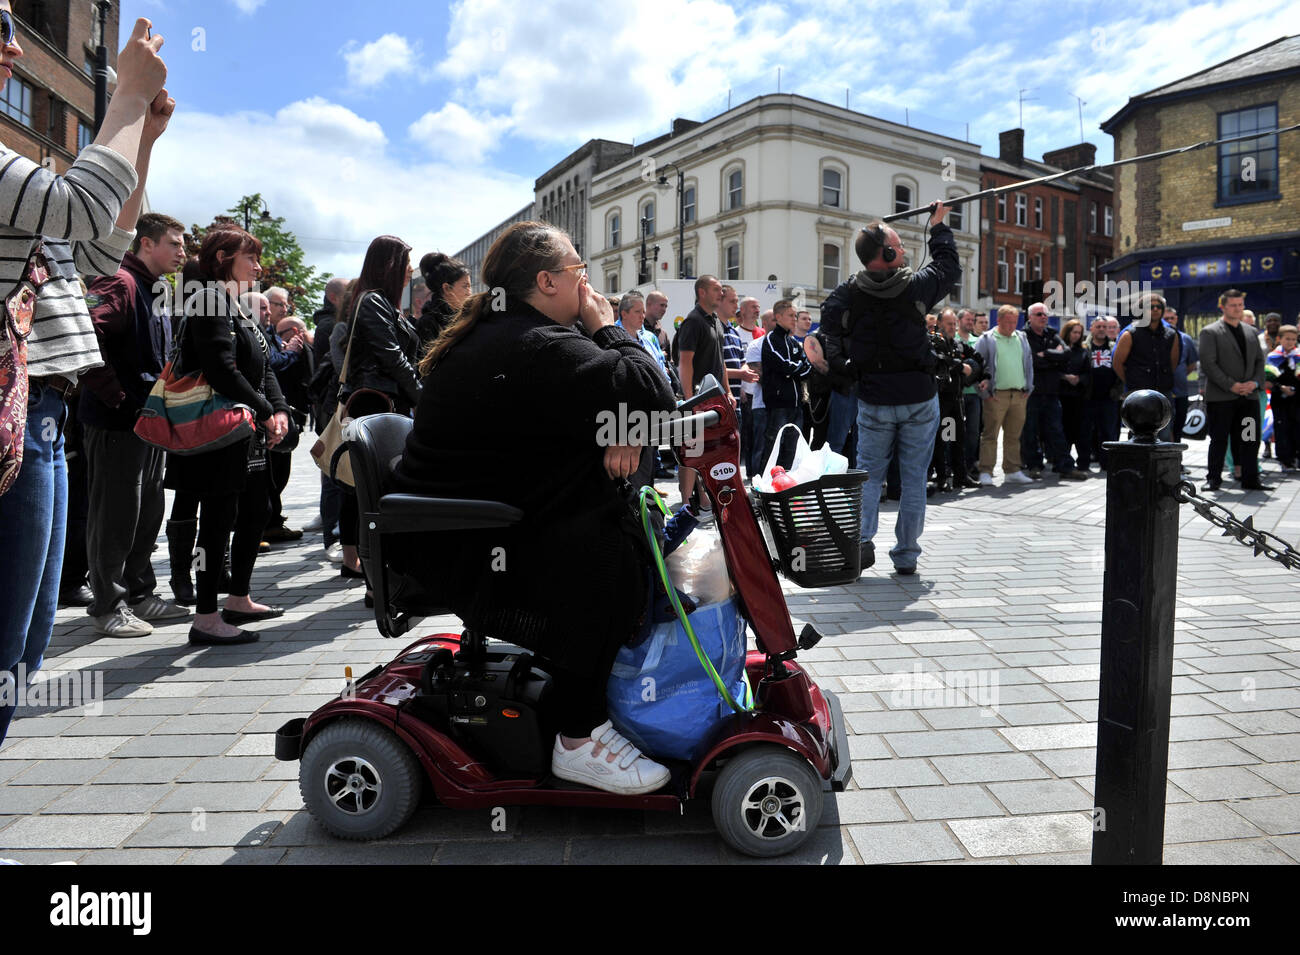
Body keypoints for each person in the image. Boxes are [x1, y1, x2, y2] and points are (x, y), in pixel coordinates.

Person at [394, 221, 675, 795]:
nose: (587, 286)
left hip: (474, 517)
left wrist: (621, 425)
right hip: (465, 537)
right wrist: (609, 328)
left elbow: (626, 404)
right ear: (547, 281)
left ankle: (588, 697)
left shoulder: (512, 332)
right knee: (613, 553)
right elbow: (653, 390)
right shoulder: (533, 342)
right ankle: (578, 736)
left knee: (619, 516)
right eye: (579, 272)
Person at [0, 14, 170, 745]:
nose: (11, 42)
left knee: (24, 645)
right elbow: (78, 206)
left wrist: (144, 138)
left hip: (43, 415)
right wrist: (124, 100)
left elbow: (100, 253)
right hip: (16, 413)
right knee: (4, 644)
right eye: (0, 23)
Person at [165, 227, 291, 645]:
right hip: (218, 432)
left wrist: (279, 410)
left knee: (255, 511)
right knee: (216, 523)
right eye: (249, 258)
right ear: (222, 258)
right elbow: (221, 369)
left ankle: (238, 597)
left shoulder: (232, 303)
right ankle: (205, 617)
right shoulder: (208, 301)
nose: (258, 266)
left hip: (245, 431)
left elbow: (265, 366)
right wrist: (264, 407)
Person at [820, 201, 958, 575]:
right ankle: (907, 555)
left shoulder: (849, 293)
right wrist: (938, 227)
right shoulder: (914, 287)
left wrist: (846, 369)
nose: (903, 250)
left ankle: (861, 544)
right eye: (898, 245)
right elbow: (948, 266)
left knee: (869, 475)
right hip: (918, 397)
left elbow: (827, 330)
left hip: (874, 398)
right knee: (914, 480)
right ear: (889, 252)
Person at [80, 212, 189, 634]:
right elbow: (88, 337)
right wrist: (120, 399)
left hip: (147, 424)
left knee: (146, 511)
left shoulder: (153, 288)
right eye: (175, 243)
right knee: (115, 516)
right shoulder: (119, 282)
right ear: (147, 243)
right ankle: (108, 606)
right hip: (117, 424)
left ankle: (140, 595)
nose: (182, 251)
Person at [335, 237, 421, 595]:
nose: (410, 271)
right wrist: (423, 396)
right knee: (376, 494)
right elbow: (391, 357)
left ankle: (379, 579)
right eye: (406, 263)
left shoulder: (381, 302)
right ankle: (377, 582)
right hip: (378, 407)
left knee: (372, 494)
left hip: (384, 404)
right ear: (391, 265)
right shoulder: (374, 302)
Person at [1199, 289, 1269, 492]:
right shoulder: (1210, 332)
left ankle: (1250, 478)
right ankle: (1213, 478)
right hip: (1222, 398)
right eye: (1233, 305)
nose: (1237, 309)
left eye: (1240, 305)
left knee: (1249, 438)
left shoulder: (1250, 332)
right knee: (1219, 439)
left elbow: (1259, 361)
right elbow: (1209, 364)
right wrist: (1232, 385)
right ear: (1222, 306)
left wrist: (1254, 383)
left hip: (1248, 398)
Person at [674, 275, 727, 517]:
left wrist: (726, 392)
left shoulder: (716, 320)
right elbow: (684, 363)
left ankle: (704, 494)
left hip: (715, 397)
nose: (721, 294)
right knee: (690, 449)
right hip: (696, 397)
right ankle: (686, 502)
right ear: (702, 292)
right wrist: (688, 401)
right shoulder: (693, 322)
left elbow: (721, 360)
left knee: (709, 449)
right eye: (717, 289)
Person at [259, 286, 308, 542]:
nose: (282, 309)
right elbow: (273, 365)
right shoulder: (261, 333)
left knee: (280, 471)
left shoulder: (271, 333)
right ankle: (262, 525)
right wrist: (290, 352)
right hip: (267, 413)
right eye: (278, 305)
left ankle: (274, 522)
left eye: (282, 305)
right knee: (267, 475)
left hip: (285, 411)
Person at [1021, 303, 1085, 480]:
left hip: (1051, 392)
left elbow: (1066, 355)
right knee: (1030, 430)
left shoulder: (1052, 333)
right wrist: (1053, 357)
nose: (1043, 317)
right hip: (1032, 392)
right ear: (1030, 317)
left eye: (1045, 315)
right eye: (1039, 314)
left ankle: (1064, 466)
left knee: (1056, 429)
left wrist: (1046, 355)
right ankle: (1034, 465)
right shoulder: (1023, 336)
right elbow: (1032, 361)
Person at [974, 305, 1035, 485]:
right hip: (996, 395)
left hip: (1019, 395)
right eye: (1008, 322)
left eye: (1014, 322)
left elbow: (1029, 364)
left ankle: (1012, 470)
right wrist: (984, 393)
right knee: (990, 435)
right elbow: (976, 366)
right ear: (998, 321)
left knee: (1013, 435)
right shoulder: (987, 339)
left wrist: (1028, 388)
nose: (1011, 325)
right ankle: (985, 470)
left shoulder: (1022, 338)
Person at [1113, 293, 1178, 441]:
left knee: (1165, 433)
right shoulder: (1130, 333)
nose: (1155, 309)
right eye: (1150, 306)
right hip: (1138, 394)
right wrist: (1132, 381)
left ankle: (1164, 464)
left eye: (1158, 306)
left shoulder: (1171, 334)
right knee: (1137, 435)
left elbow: (1173, 362)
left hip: (1163, 391)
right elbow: (1117, 363)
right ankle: (1135, 464)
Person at [759, 299, 812, 468]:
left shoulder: (794, 342)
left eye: (795, 316)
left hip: (796, 405)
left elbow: (808, 368)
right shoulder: (770, 340)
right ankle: (763, 482)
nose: (794, 319)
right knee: (773, 445)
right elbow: (784, 366)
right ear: (778, 317)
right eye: (791, 315)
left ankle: (787, 482)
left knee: (792, 447)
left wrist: (794, 368)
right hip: (778, 404)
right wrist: (796, 368)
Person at [414, 252, 471, 364]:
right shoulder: (428, 323)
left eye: (470, 286)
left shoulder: (469, 317)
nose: (469, 293)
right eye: (465, 286)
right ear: (447, 288)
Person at [1084, 317, 1121, 471]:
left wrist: (1117, 390)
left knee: (1108, 432)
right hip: (1088, 398)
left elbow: (1121, 370)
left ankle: (1108, 464)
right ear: (1092, 328)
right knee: (1086, 432)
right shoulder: (1085, 347)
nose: (1101, 329)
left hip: (1109, 398)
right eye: (1098, 326)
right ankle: (1084, 463)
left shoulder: (1115, 347)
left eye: (1104, 327)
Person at [1057, 319, 1092, 471]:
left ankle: (1083, 462)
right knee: (1063, 430)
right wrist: (1065, 377)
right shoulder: (1057, 348)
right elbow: (1052, 369)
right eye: (1074, 332)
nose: (1076, 335)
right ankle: (1062, 460)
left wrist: (1079, 379)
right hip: (1061, 395)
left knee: (1081, 430)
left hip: (1079, 396)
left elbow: (1088, 372)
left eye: (1079, 333)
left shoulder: (1083, 351)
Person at [1266, 325, 1299, 472]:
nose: (1290, 342)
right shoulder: (1273, 357)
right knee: (1282, 428)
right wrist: (1280, 387)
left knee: (1297, 427)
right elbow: (1269, 378)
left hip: (1297, 398)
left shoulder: (1298, 355)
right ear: (1279, 339)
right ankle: (1285, 460)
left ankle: (1296, 457)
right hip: (1279, 399)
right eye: (1287, 339)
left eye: (1293, 339)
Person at [956, 308, 982, 482]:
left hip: (974, 395)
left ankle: (970, 465)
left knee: (973, 432)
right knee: (952, 432)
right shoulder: (952, 340)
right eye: (967, 319)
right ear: (959, 321)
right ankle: (952, 466)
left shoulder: (978, 341)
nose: (970, 322)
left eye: (973, 319)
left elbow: (983, 364)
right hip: (956, 395)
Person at [1167, 306, 1199, 443]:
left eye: (1171, 318)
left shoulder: (1185, 339)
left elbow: (1191, 364)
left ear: (1176, 319)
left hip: (1181, 391)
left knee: (1178, 425)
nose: (1169, 321)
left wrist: (1179, 374)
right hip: (1163, 390)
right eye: (1166, 319)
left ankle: (1176, 460)